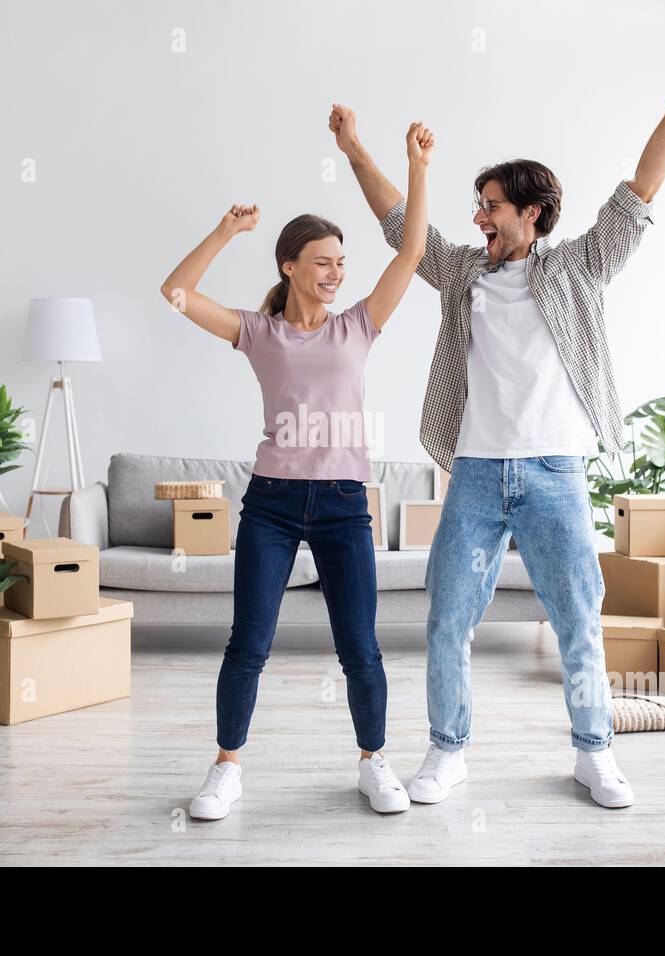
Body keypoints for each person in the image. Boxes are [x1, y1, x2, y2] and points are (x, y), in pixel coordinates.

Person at [330, 38, 665, 809]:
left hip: (555, 474)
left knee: (579, 623)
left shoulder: (580, 265)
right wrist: (353, 147)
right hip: (476, 473)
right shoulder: (463, 273)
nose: (479, 219)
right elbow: (399, 223)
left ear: (532, 215)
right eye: (478, 207)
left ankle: (594, 753)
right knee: (448, 621)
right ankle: (447, 751)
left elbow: (640, 190)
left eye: (492, 208)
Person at [160, 122, 437, 820]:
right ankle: (226, 769)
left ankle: (375, 762)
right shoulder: (260, 333)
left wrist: (414, 165)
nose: (337, 271)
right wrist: (224, 231)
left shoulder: (360, 324)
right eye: (322, 260)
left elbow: (413, 250)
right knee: (247, 644)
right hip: (274, 506)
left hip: (345, 502)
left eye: (341, 260)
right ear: (289, 265)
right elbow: (175, 292)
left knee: (360, 648)